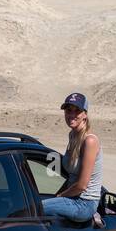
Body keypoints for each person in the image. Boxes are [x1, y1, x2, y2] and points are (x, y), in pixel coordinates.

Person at [41, 92, 103, 223]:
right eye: (69, 110)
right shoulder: (73, 135)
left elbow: (81, 186)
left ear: (85, 114)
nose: (72, 115)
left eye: (77, 111)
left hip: (84, 203)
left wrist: (60, 196)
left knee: (34, 209)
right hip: (71, 198)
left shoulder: (90, 141)